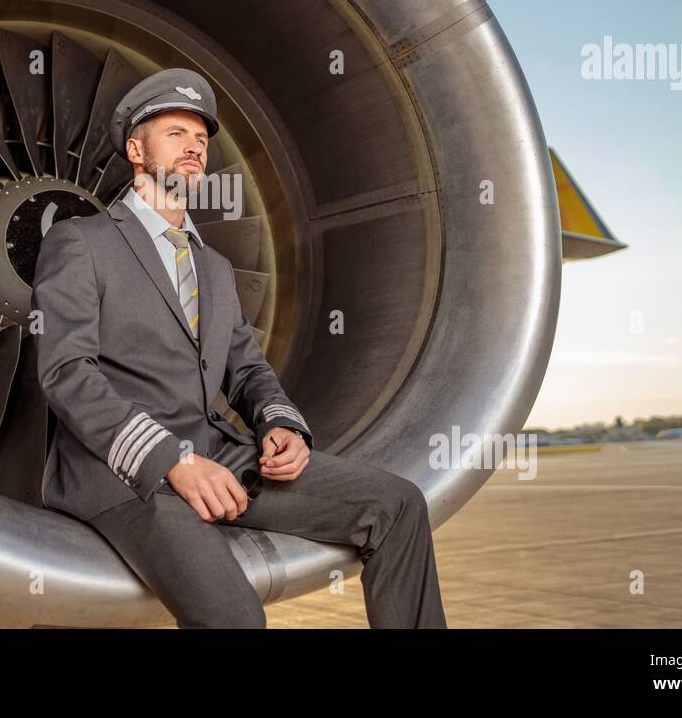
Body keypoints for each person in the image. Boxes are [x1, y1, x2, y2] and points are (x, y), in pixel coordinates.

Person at [31, 67, 446, 628]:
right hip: (127, 475)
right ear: (136, 149)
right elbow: (67, 374)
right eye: (176, 134)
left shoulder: (214, 267)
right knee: (236, 620)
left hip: (219, 457)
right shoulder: (81, 242)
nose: (194, 149)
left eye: (201, 139)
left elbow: (247, 369)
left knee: (397, 506)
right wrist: (173, 462)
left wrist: (282, 426)